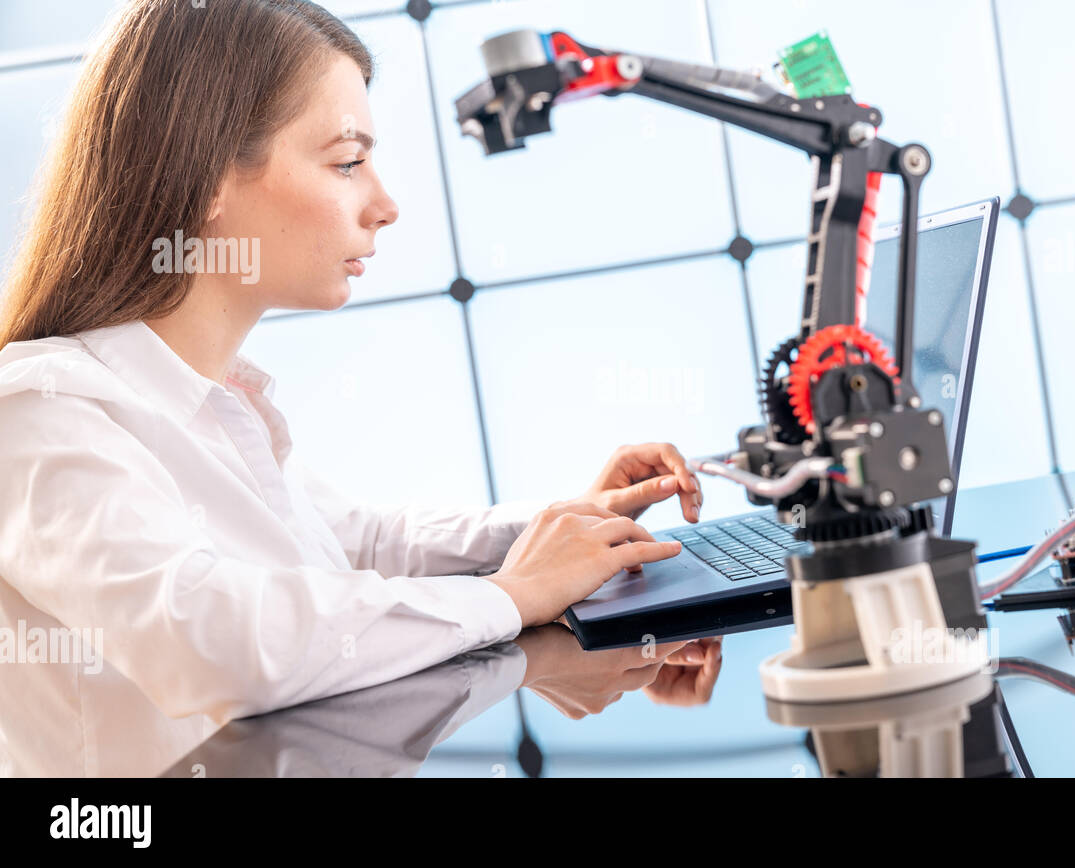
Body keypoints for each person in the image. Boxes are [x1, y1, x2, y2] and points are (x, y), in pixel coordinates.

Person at [0, 0, 707, 776]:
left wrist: (565, 530)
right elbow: (210, 639)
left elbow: (357, 547)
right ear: (204, 174)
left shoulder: (219, 406)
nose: (385, 205)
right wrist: (515, 594)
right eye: (345, 162)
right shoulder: (39, 408)